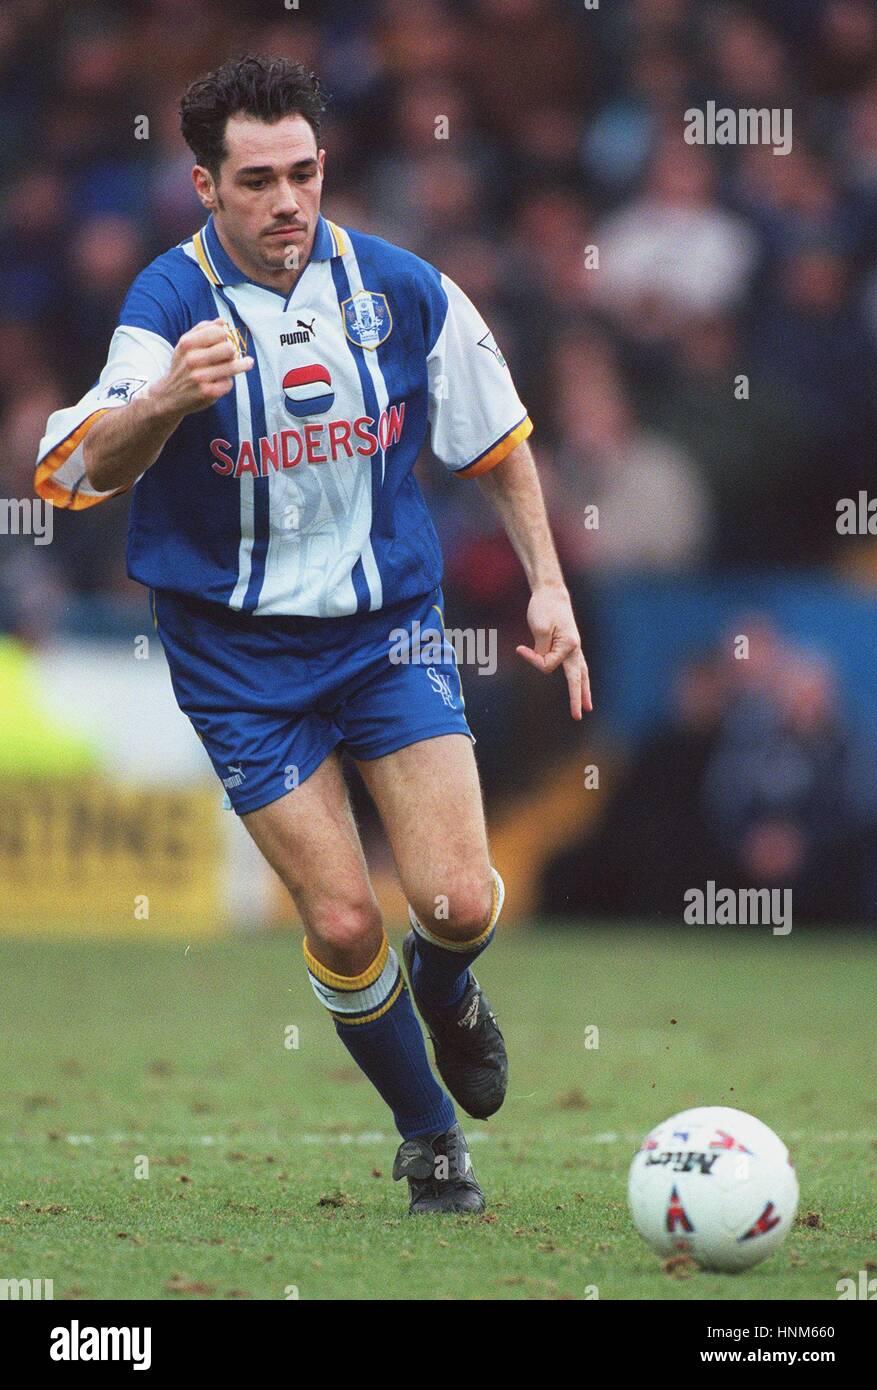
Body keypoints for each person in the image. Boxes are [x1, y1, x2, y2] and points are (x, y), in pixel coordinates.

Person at [34, 56, 591, 1214]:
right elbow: (76, 475)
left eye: (304, 173)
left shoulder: (400, 289)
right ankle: (430, 1136)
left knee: (460, 903)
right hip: (236, 660)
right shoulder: (165, 310)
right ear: (204, 185)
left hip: (386, 632)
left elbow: (498, 442)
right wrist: (163, 404)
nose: (287, 201)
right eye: (257, 180)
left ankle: (448, 990)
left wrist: (549, 586)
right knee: (343, 920)